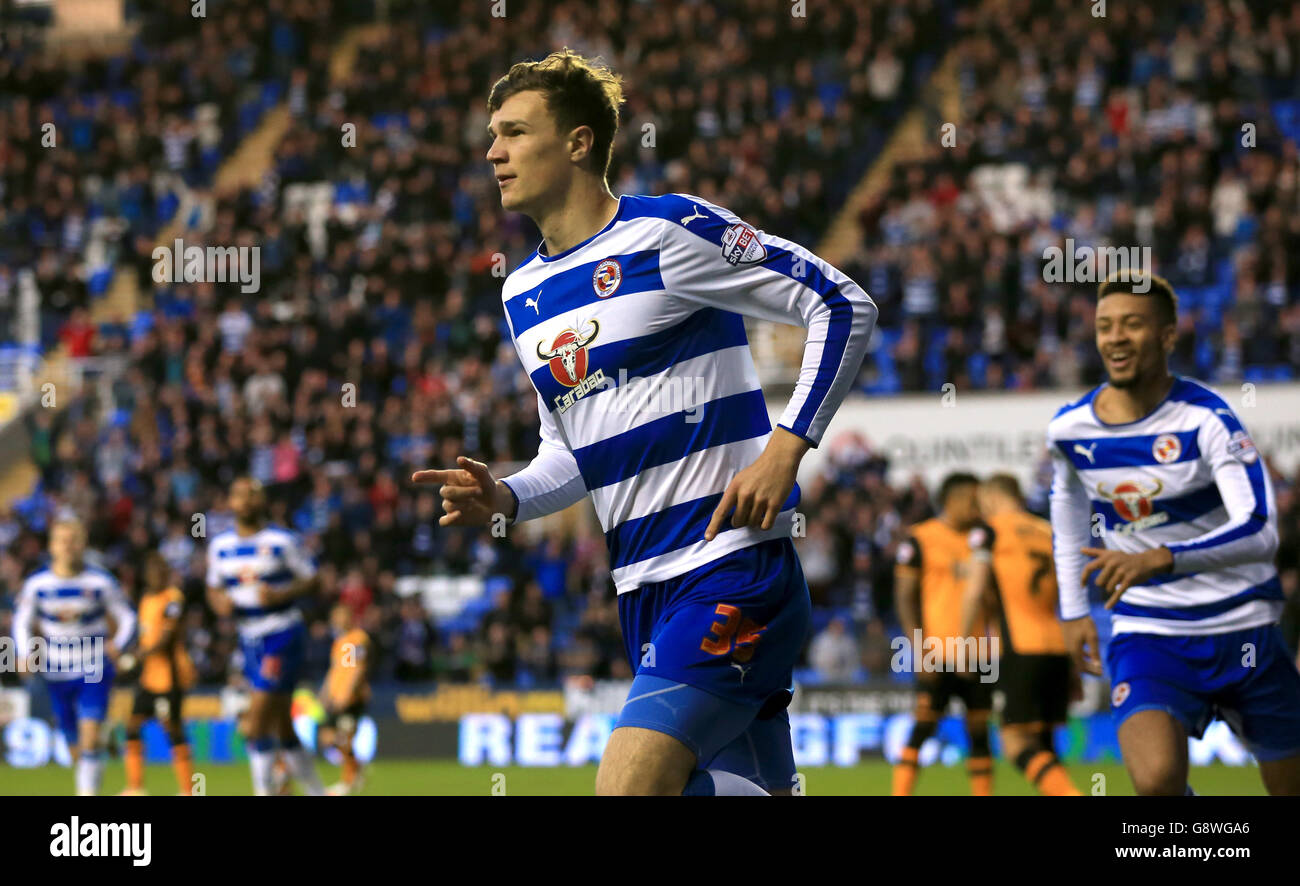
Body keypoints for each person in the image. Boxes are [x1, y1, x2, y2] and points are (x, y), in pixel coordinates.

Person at [413, 49, 877, 795]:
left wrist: (786, 449)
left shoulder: (667, 233)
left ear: (578, 142)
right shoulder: (522, 291)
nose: (491, 151)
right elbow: (569, 455)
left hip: (731, 566)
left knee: (628, 789)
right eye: (492, 134)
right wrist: (505, 497)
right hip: (643, 591)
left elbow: (841, 303)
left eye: (514, 132)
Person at [1047, 272, 1300, 795]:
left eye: (1132, 325)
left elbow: (1259, 530)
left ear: (1166, 336)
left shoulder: (1208, 420)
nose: (1115, 337)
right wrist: (1073, 610)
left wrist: (1164, 557)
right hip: (1149, 631)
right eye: (1104, 326)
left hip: (1243, 625)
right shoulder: (1071, 429)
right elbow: (1068, 509)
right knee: (1158, 783)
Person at [961, 474, 1082, 796]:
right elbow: (1068, 597)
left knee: (1014, 744)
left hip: (1019, 647)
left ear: (992, 497)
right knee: (1045, 745)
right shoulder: (1048, 532)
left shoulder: (989, 532)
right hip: (1057, 645)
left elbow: (974, 591)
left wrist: (962, 643)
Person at [206, 477, 325, 796]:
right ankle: (316, 791)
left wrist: (282, 593)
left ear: (262, 502)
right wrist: (219, 602)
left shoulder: (283, 541)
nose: (245, 501)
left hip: (282, 632)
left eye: (252, 495)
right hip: (249, 639)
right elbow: (213, 586)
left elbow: (314, 580)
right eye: (238, 495)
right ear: (230, 503)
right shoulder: (220, 547)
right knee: (283, 726)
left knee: (256, 725)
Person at [13, 517, 136, 796]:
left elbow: (127, 616)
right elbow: (21, 622)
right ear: (52, 546)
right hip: (55, 671)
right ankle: (98, 743)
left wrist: (118, 644)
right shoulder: (37, 585)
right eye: (62, 540)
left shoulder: (100, 581)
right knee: (75, 747)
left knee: (89, 738)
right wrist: (24, 652)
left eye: (74, 539)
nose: (68, 546)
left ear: (83, 544)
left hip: (94, 666)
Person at [891, 473, 996, 796]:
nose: (978, 508)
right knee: (923, 727)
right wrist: (919, 646)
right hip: (936, 651)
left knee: (979, 732)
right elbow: (904, 596)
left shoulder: (985, 539)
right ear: (952, 501)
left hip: (978, 652)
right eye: (972, 501)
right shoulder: (920, 538)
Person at [121, 551, 197, 796]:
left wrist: (137, 656)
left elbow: (166, 638)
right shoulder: (146, 600)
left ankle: (189, 790)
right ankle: (135, 788)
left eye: (160, 571)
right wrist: (134, 652)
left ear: (166, 573)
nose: (156, 576)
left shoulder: (173, 598)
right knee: (132, 725)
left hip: (170, 676)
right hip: (149, 678)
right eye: (151, 572)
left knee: (172, 728)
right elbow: (145, 637)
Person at [319, 604, 371, 796]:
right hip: (335, 697)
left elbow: (356, 669)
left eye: (340, 616)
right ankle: (356, 768)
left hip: (351, 699)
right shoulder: (341, 642)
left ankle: (348, 781)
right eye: (335, 616)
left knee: (344, 738)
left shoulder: (356, 639)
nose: (337, 620)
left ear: (349, 617)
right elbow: (336, 670)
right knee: (328, 737)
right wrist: (325, 692)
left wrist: (347, 694)